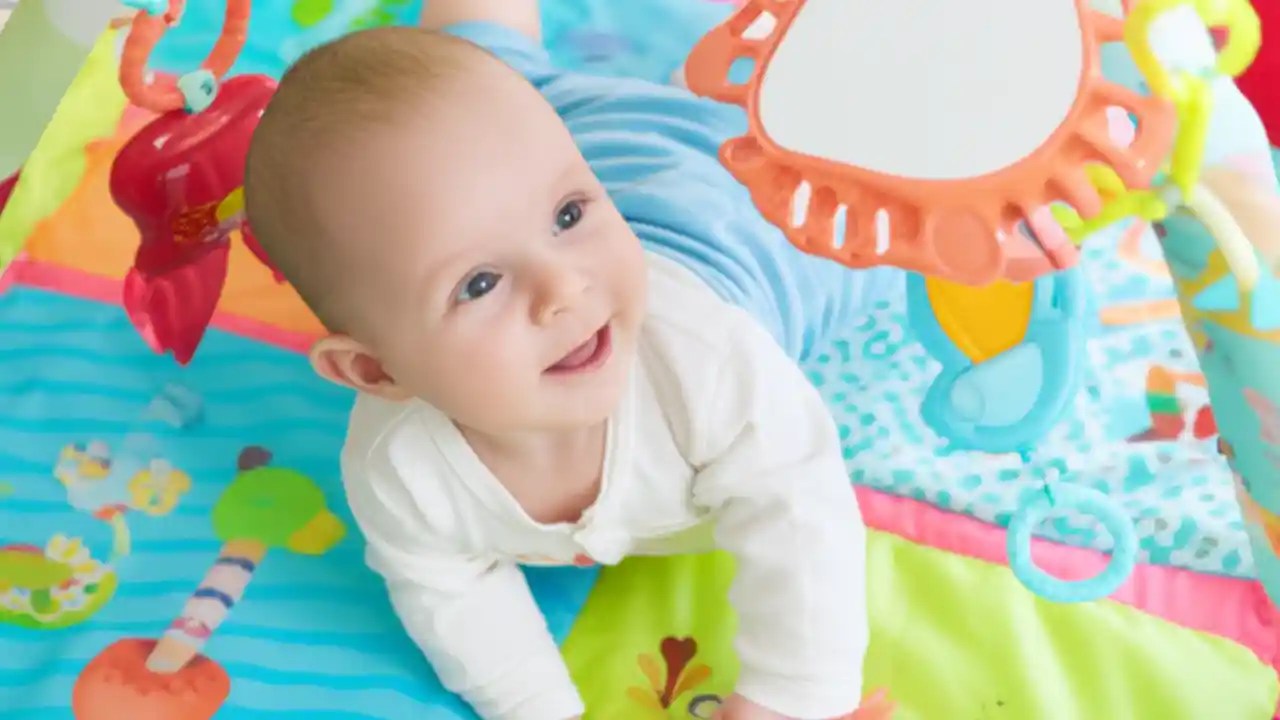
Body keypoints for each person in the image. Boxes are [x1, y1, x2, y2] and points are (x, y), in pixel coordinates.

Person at [243, 2, 902, 719]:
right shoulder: (403, 472)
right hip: (578, 145)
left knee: (887, 204)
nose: (564, 289)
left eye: (570, 216)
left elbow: (799, 508)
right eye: (480, 284)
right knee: (471, 105)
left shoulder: (705, 360)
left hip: (751, 204)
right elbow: (451, 595)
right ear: (377, 373)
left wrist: (791, 699)